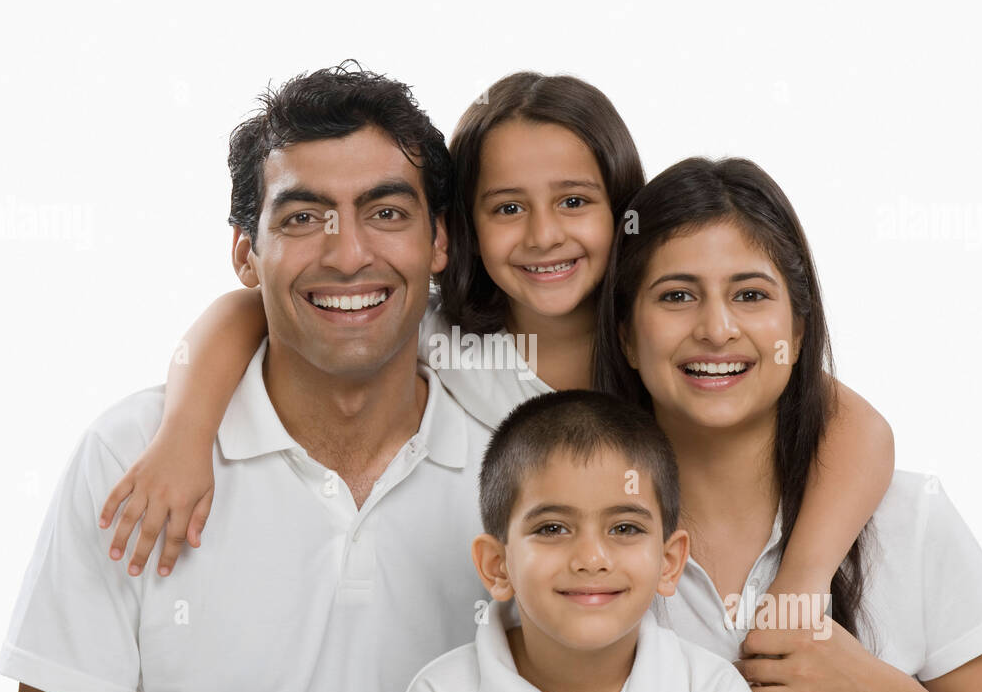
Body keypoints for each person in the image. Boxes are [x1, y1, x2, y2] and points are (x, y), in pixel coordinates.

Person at [101, 73, 896, 643]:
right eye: (508, 208)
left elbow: (850, 421)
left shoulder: (668, 347)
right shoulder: (441, 336)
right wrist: (185, 430)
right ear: (457, 231)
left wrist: (801, 584)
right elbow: (252, 313)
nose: (545, 235)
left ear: (624, 214)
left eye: (575, 202)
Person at [0, 65, 494, 692]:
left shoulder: (517, 476)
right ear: (244, 254)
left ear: (439, 242)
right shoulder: (130, 460)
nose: (349, 254)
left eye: (386, 213)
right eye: (301, 218)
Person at [595, 156, 982, 692]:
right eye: (676, 296)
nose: (717, 328)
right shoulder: (580, 547)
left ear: (798, 333)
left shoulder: (908, 521)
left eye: (750, 295)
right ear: (625, 336)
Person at [387, 390, 770, 692]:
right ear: (497, 565)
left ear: (669, 563)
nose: (591, 558)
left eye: (625, 528)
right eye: (552, 528)